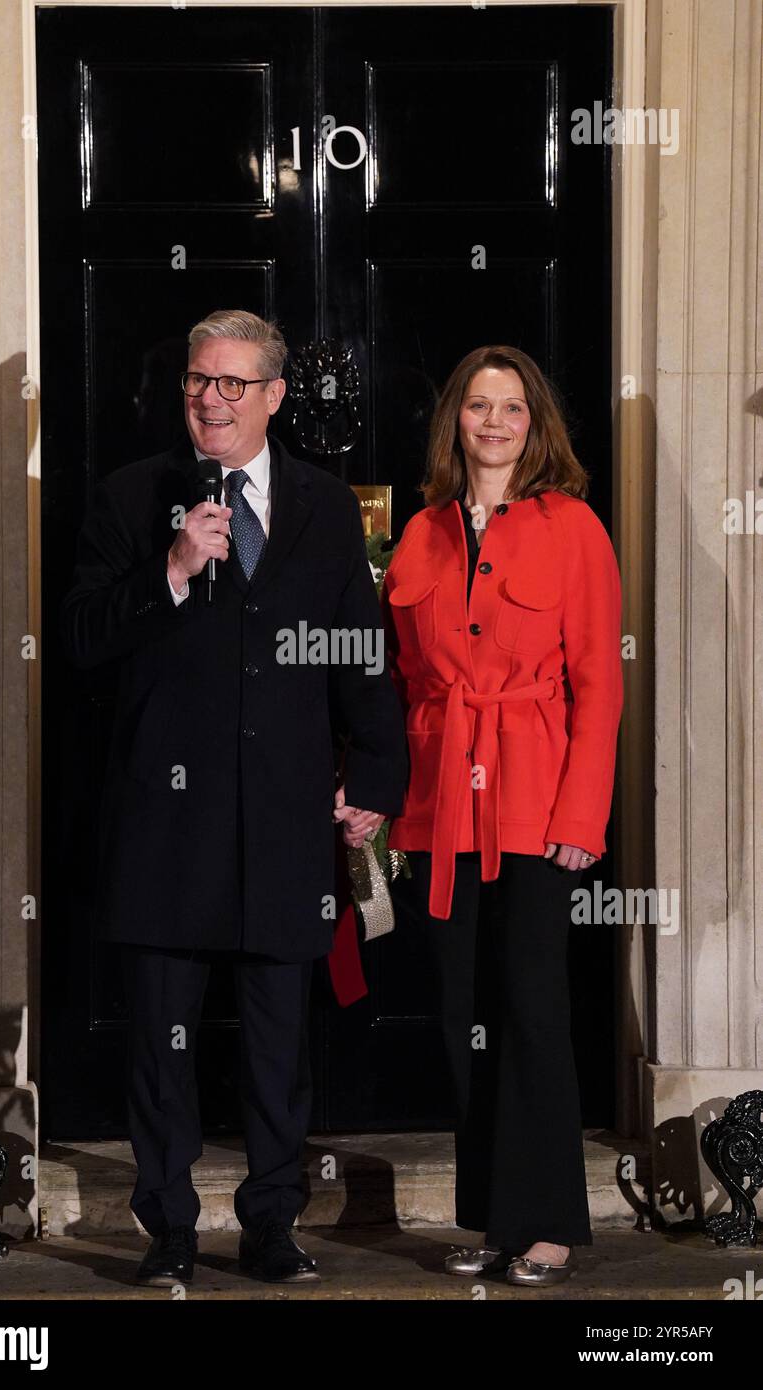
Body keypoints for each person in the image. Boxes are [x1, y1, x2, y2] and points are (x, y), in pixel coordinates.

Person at [61, 309, 407, 1286]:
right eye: (195, 382)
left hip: (285, 821)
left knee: (274, 1045)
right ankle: (167, 1229)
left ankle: (270, 1225)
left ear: (272, 394)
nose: (209, 399)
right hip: (165, 824)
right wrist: (170, 571)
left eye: (229, 384)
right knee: (160, 1045)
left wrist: (374, 775)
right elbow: (83, 638)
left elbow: (356, 649)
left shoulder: (326, 508)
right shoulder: (133, 498)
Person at [382, 345, 623, 1286]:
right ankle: (491, 1218)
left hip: (533, 807)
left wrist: (582, 814)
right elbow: (407, 686)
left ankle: (551, 1220)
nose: (493, 422)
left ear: (536, 424)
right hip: (442, 810)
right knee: (462, 1016)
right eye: (477, 406)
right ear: (455, 421)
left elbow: (598, 684)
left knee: (530, 1012)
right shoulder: (422, 533)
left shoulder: (575, 530)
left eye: (511, 408)